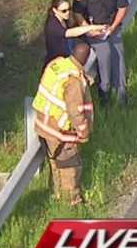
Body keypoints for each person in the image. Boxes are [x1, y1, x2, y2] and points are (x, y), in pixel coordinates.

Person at [33, 41, 95, 205]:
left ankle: (58, 195)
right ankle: (71, 201)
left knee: (56, 164)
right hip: (60, 131)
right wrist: (83, 132)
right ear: (87, 59)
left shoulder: (58, 64)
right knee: (69, 166)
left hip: (44, 124)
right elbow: (76, 112)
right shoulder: (73, 81)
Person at [73, 0, 129, 106]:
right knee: (105, 54)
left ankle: (121, 96)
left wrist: (113, 27)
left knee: (119, 57)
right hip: (93, 31)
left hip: (110, 28)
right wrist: (87, 29)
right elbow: (77, 12)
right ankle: (104, 92)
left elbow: (123, 7)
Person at [43, 0, 107, 72]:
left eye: (69, 9)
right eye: (64, 11)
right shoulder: (53, 25)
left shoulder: (64, 18)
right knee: (83, 50)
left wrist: (94, 32)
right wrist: (93, 27)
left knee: (87, 47)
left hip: (66, 49)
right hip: (58, 59)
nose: (67, 13)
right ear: (55, 10)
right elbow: (71, 32)